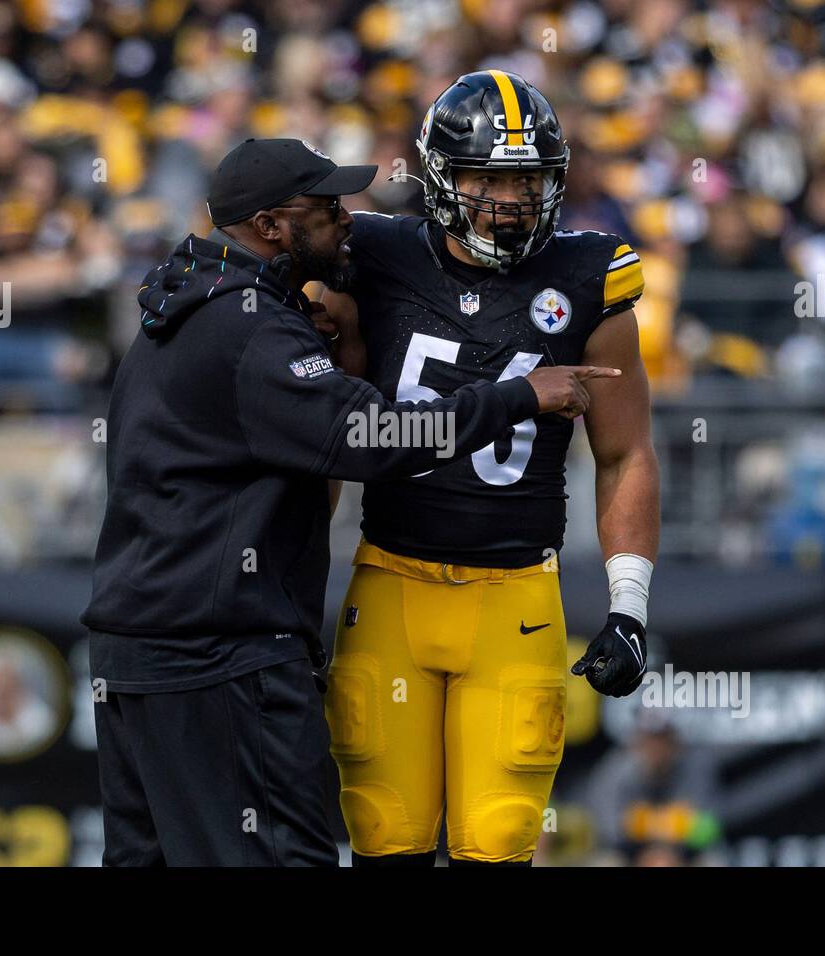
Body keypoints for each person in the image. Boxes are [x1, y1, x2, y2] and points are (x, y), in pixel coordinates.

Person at [84, 137, 617, 866]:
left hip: (139, 650)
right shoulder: (252, 329)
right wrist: (518, 395)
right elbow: (373, 438)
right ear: (272, 226)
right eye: (328, 207)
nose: (348, 220)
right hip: (221, 654)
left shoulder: (195, 295)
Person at [317, 71, 661, 866]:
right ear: (440, 177)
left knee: (500, 841)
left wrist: (629, 607)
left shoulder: (588, 277)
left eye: (526, 179)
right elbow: (322, 429)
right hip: (391, 582)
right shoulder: (372, 252)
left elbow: (624, 452)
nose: (509, 199)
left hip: (516, 599)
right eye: (486, 177)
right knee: (384, 838)